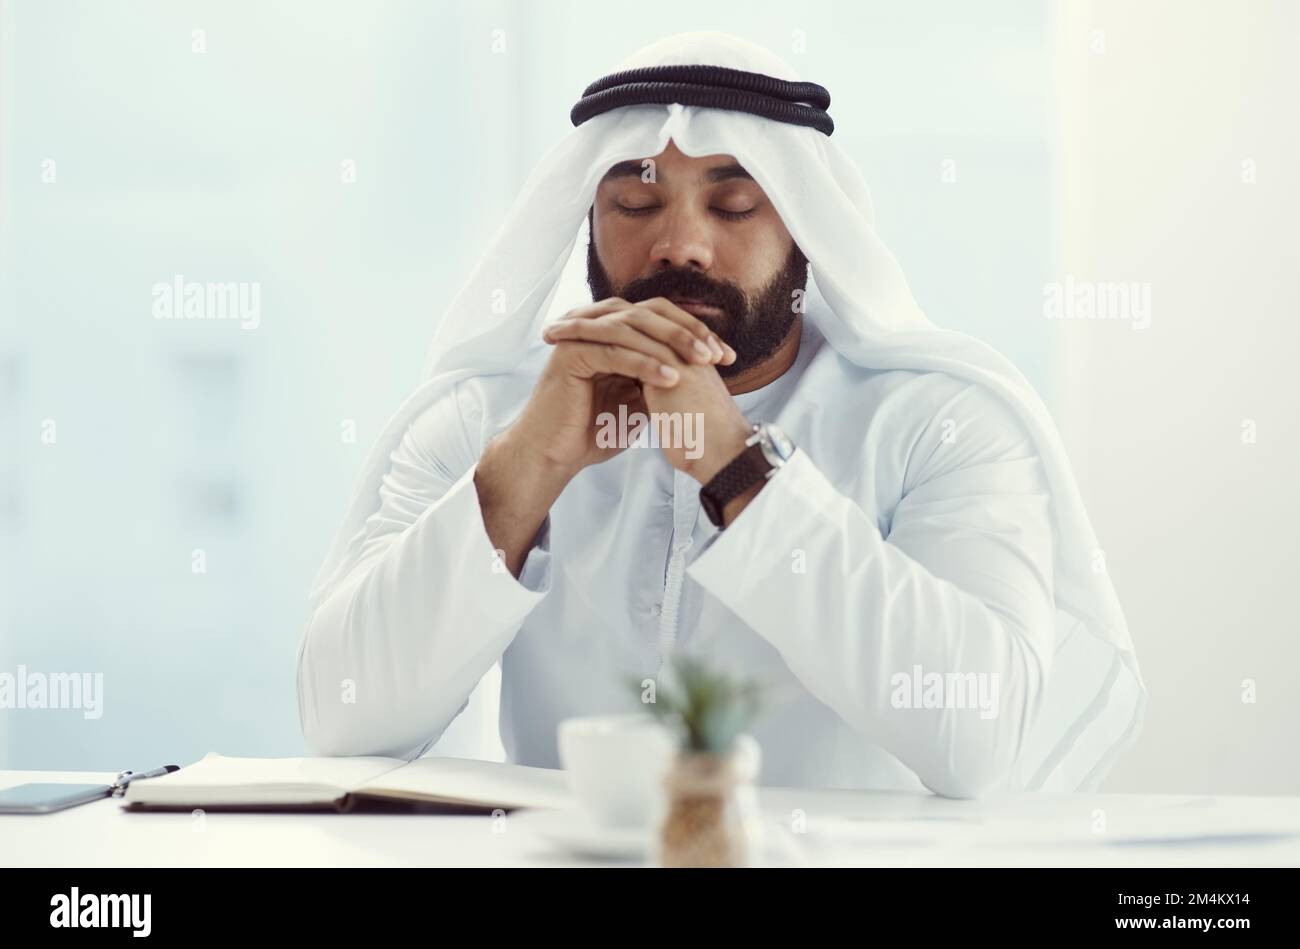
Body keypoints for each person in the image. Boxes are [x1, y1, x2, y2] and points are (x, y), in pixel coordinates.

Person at [296, 31, 1146, 798]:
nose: (681, 245)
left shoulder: (939, 422)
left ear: (806, 230)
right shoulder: (484, 415)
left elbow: (979, 740)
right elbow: (344, 718)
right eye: (636, 205)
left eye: (734, 205)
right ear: (588, 226)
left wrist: (735, 465)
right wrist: (526, 467)